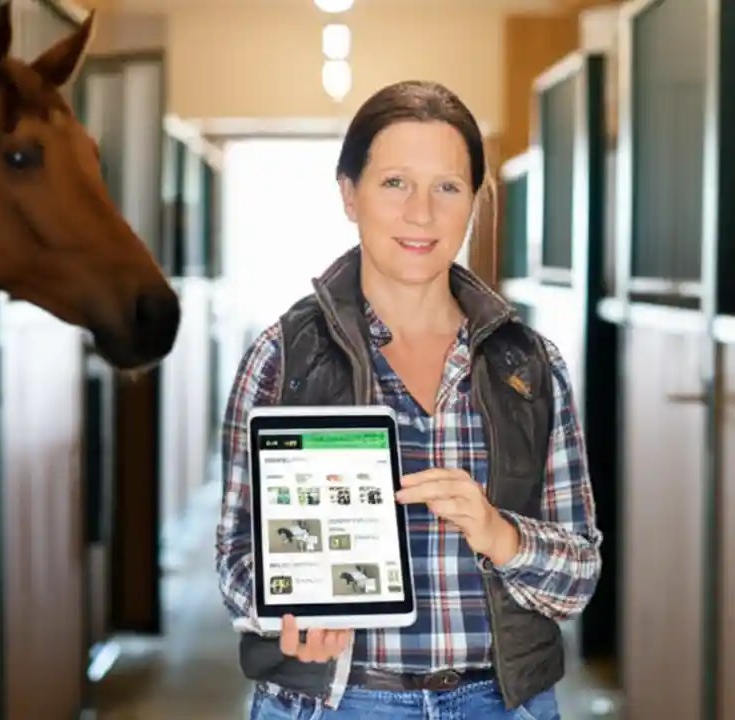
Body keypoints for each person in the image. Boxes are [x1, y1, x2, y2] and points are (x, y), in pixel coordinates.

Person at [214, 79, 602, 720]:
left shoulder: (530, 366)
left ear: (474, 200)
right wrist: (290, 604)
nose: (421, 214)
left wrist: (497, 533)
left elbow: (578, 575)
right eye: (395, 183)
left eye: (447, 187)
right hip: (334, 703)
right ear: (349, 194)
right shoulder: (282, 358)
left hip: (501, 705)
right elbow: (235, 562)